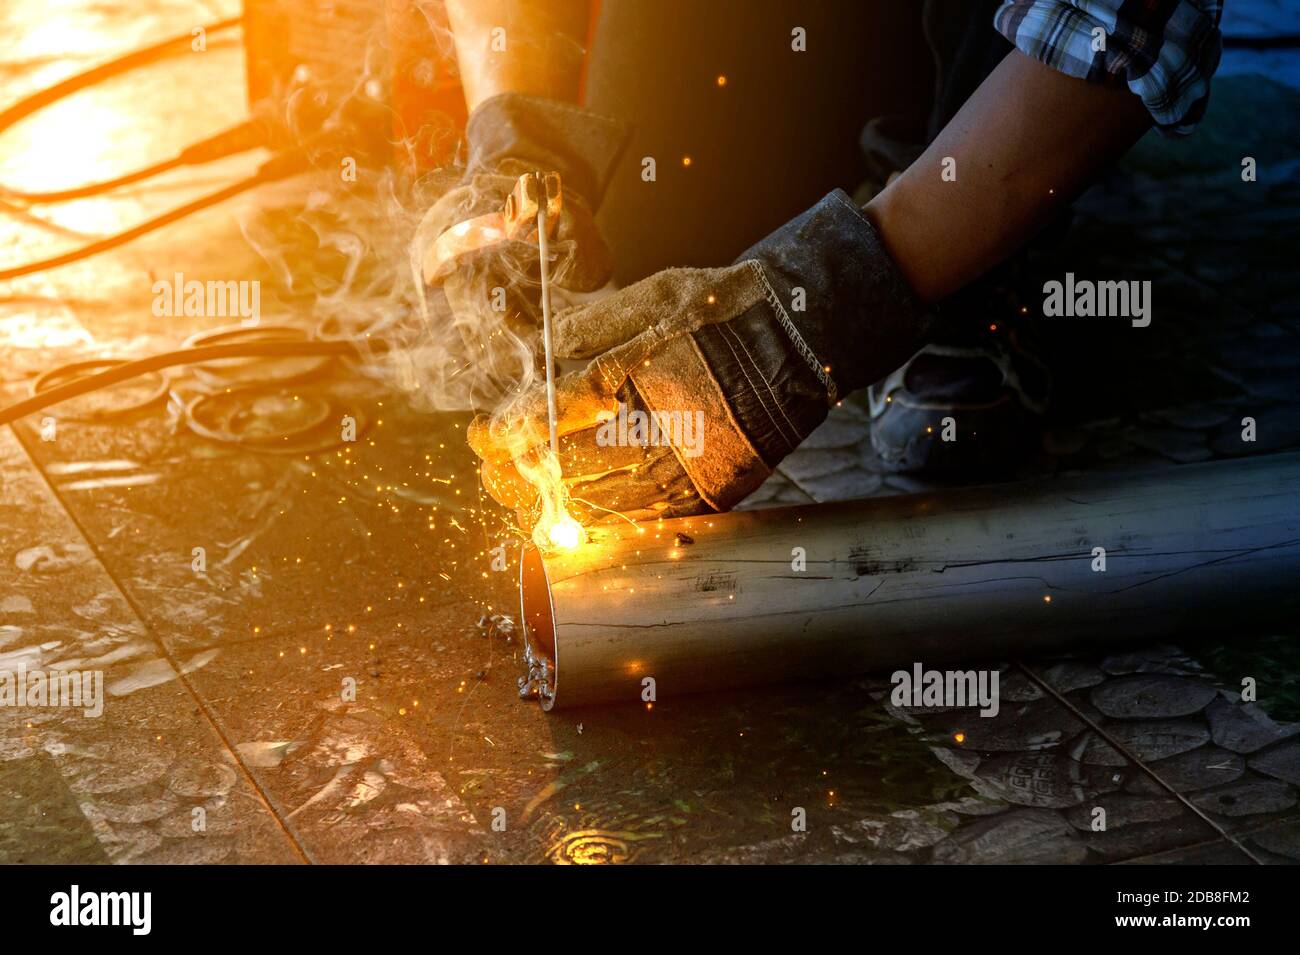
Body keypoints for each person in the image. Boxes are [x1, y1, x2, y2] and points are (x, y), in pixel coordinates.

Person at [428, 0, 1223, 525]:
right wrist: (521, 135)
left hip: (1012, 28)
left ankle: (965, 248)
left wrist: (837, 293)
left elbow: (1140, 24)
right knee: (660, 227)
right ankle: (869, 176)